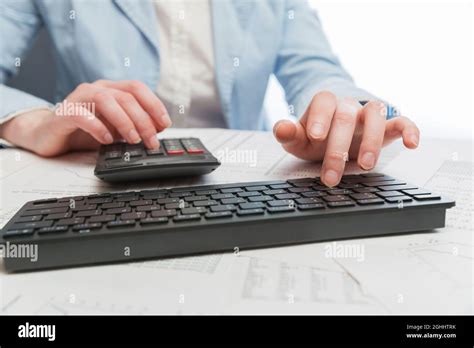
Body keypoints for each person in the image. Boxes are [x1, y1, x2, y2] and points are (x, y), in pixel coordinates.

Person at [0, 0, 419, 187]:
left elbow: (315, 68)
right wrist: (36, 122)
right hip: (90, 175)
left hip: (235, 178)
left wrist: (342, 114)